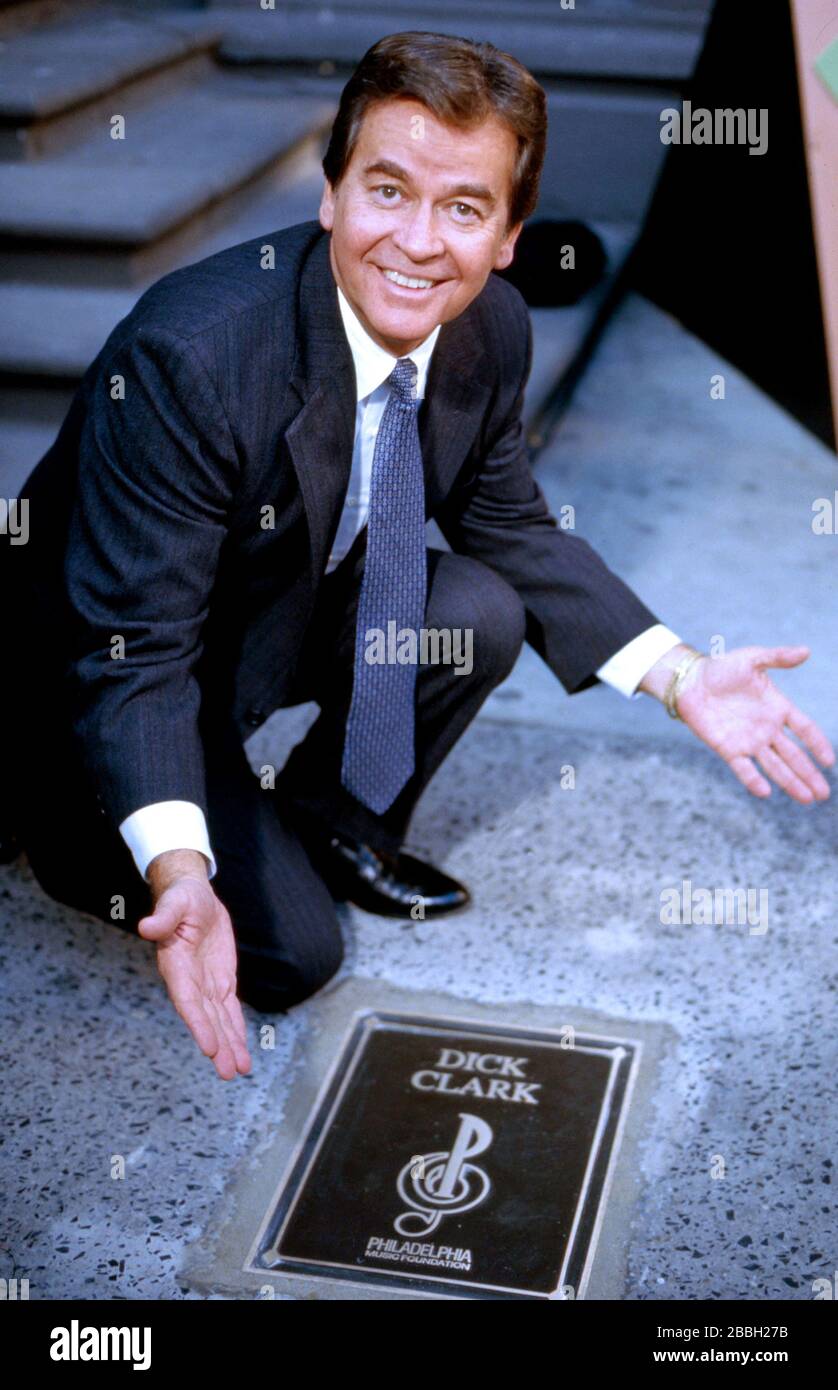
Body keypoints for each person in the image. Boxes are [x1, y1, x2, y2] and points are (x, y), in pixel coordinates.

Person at [3, 32, 832, 1082]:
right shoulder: (194, 357)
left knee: (474, 604)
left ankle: (329, 821)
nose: (418, 242)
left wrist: (678, 674)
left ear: (508, 238)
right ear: (331, 198)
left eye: (464, 208)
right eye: (387, 189)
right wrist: (179, 862)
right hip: (106, 675)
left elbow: (511, 525)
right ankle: (72, 826)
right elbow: (134, 652)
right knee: (295, 954)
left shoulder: (489, 329)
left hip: (267, 608)